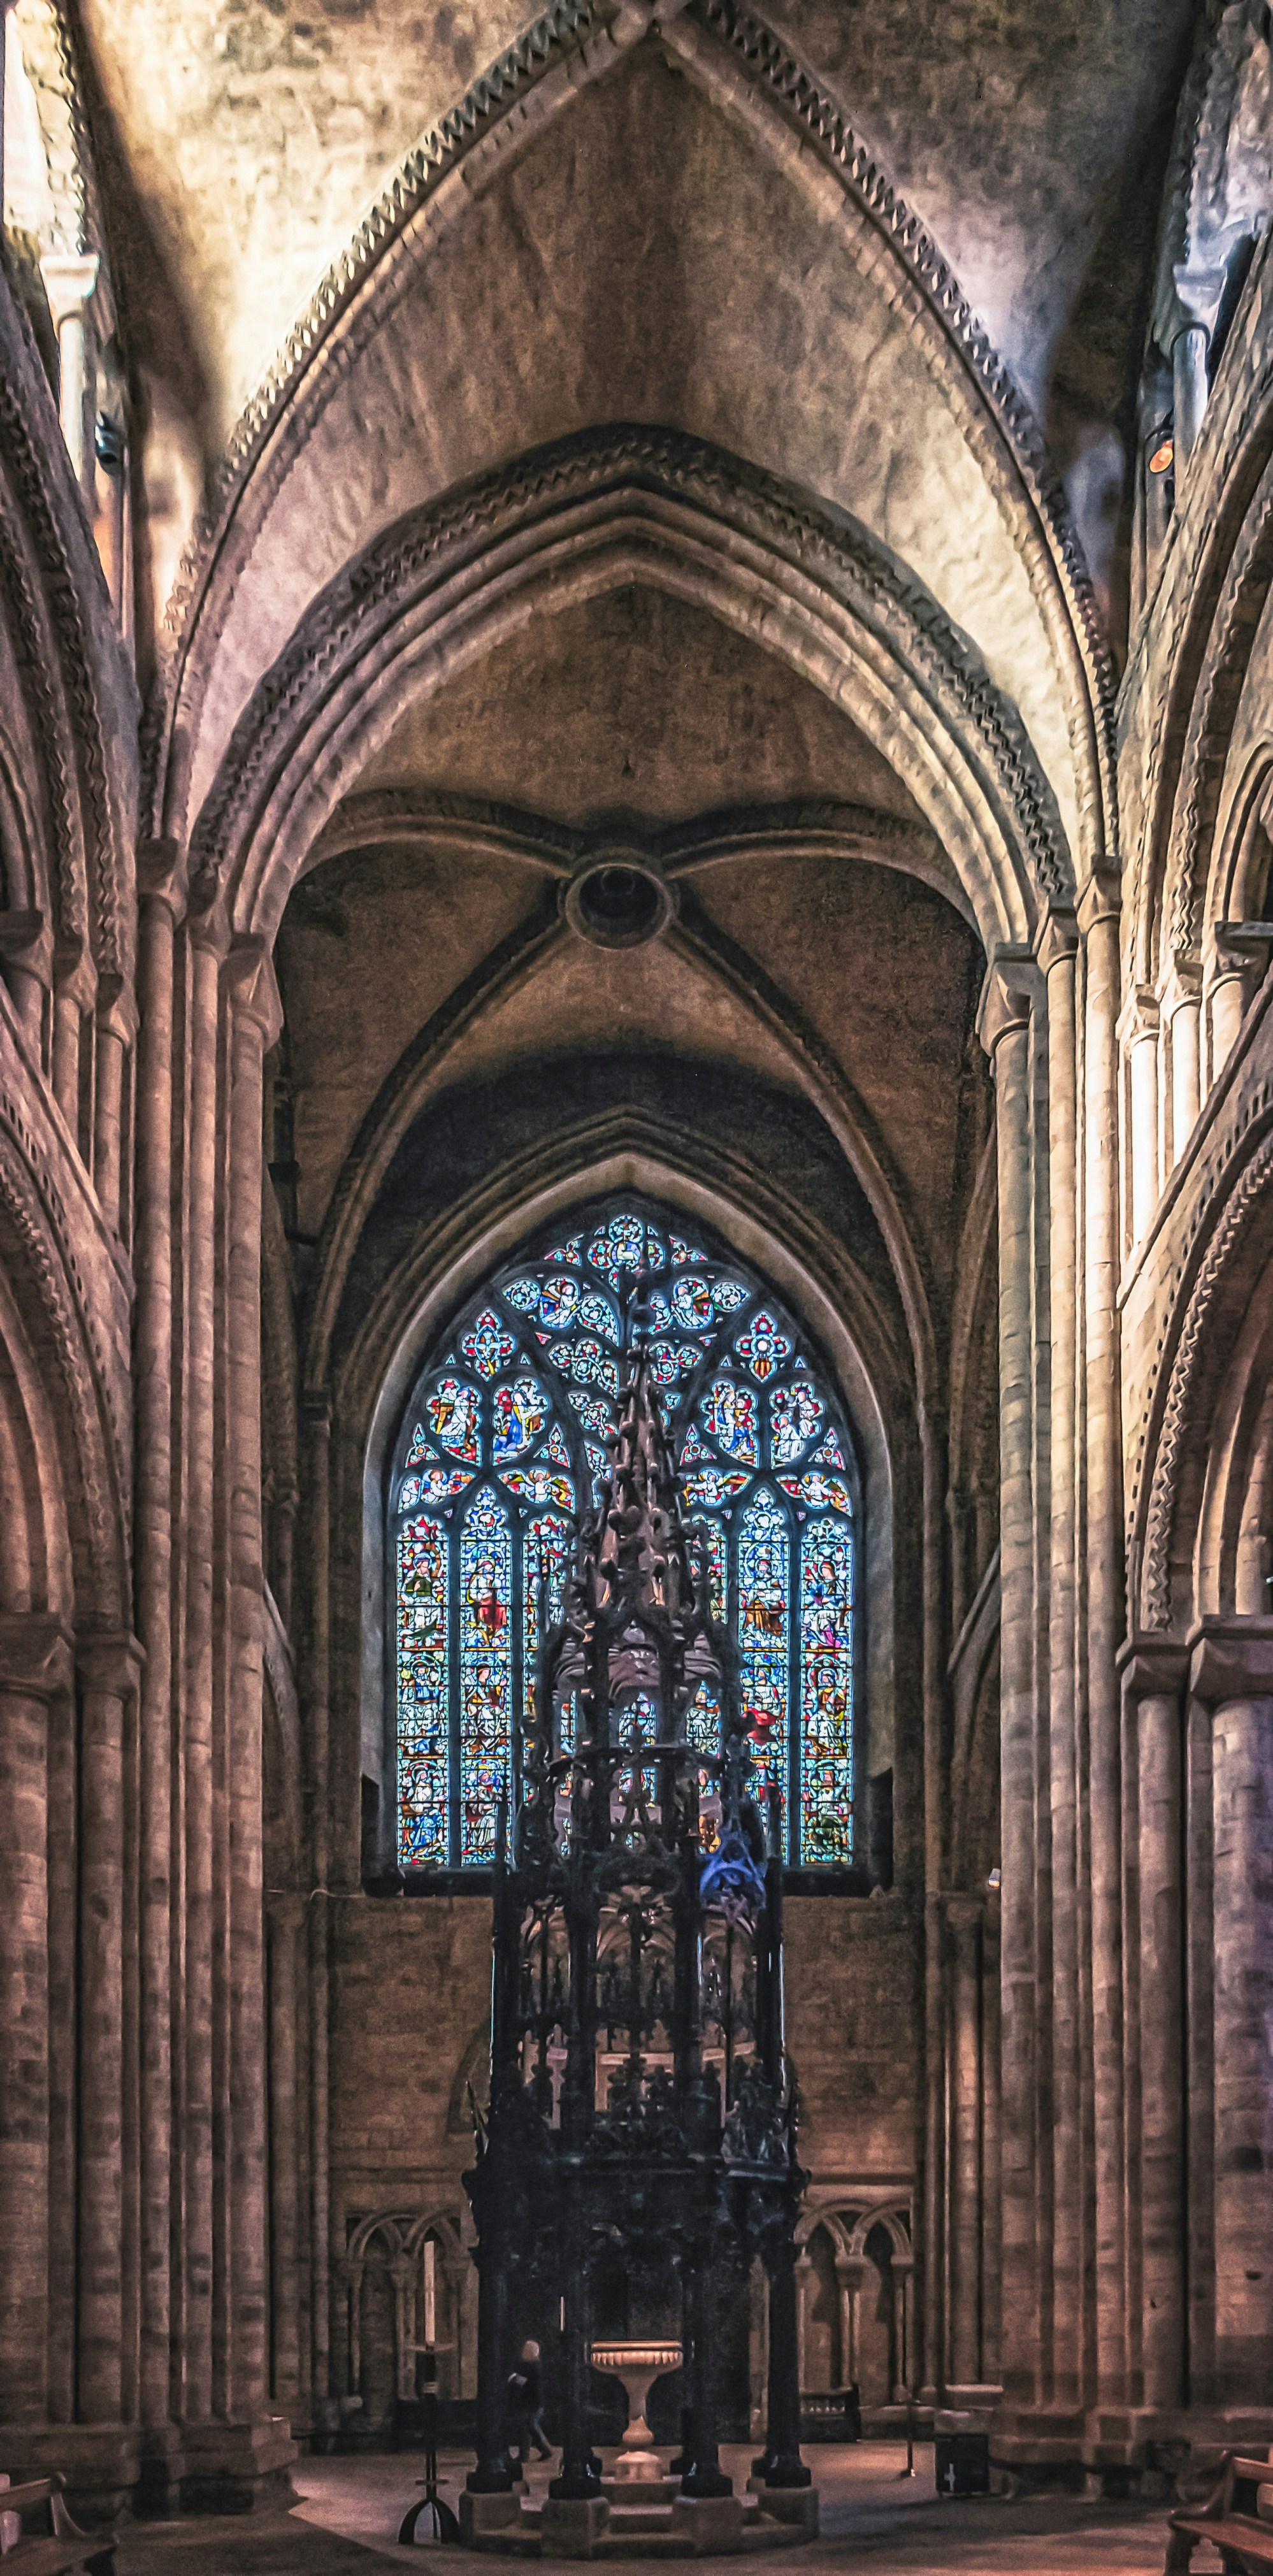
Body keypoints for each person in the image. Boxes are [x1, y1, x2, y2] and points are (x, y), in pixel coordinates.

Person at [507, 2338, 551, 2464]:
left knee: (531, 2426)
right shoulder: (533, 2366)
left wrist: (514, 2379)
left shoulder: (533, 2367)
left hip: (533, 2403)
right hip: (531, 2402)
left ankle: (545, 2449)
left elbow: (525, 2382)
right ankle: (524, 2454)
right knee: (527, 2428)